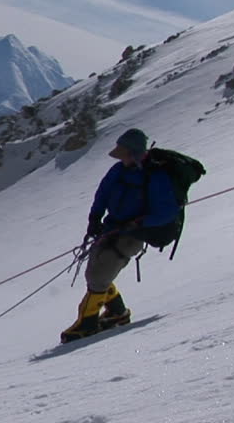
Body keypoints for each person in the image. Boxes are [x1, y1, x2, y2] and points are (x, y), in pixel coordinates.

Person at [61, 128, 181, 343]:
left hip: (134, 234)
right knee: (95, 269)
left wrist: (140, 223)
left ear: (134, 153)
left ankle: (87, 324)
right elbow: (102, 195)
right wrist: (94, 219)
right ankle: (117, 313)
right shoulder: (118, 171)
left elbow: (167, 212)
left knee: (99, 276)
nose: (120, 158)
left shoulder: (155, 177)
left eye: (123, 153)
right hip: (112, 227)